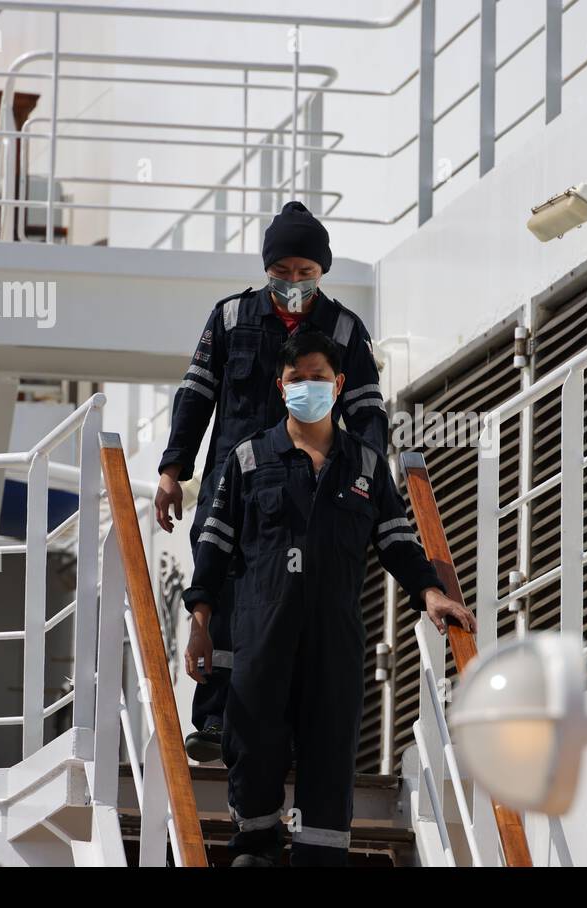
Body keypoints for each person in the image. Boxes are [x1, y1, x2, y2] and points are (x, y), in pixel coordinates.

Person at [182, 331, 475, 866]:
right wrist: (200, 621)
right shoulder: (248, 460)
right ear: (280, 384)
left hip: (333, 643)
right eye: (297, 379)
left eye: (318, 378)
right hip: (261, 638)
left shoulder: (363, 465)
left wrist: (430, 593)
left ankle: (320, 857)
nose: (307, 387)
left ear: (339, 385)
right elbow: (216, 547)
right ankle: (256, 848)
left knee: (329, 756)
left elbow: (397, 539)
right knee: (252, 747)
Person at [156, 201, 387, 761]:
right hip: (229, 487)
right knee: (221, 595)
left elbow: (366, 408)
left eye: (306, 273)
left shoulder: (342, 329)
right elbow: (196, 396)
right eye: (282, 272)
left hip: (307, 490)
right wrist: (171, 470)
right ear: (268, 270)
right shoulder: (231, 318)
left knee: (289, 603)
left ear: (322, 272)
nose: (293, 283)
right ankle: (213, 723)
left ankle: (279, 728)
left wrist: (369, 474)